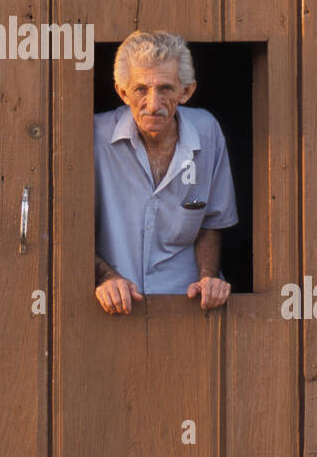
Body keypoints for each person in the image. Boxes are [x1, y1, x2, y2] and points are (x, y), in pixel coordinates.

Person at [94, 30, 238, 315]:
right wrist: (105, 277)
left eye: (165, 89)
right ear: (122, 92)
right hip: (114, 308)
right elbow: (66, 227)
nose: (153, 104)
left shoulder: (207, 133)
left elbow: (212, 220)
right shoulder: (94, 137)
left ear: (186, 91)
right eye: (140, 89)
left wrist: (207, 276)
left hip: (186, 305)